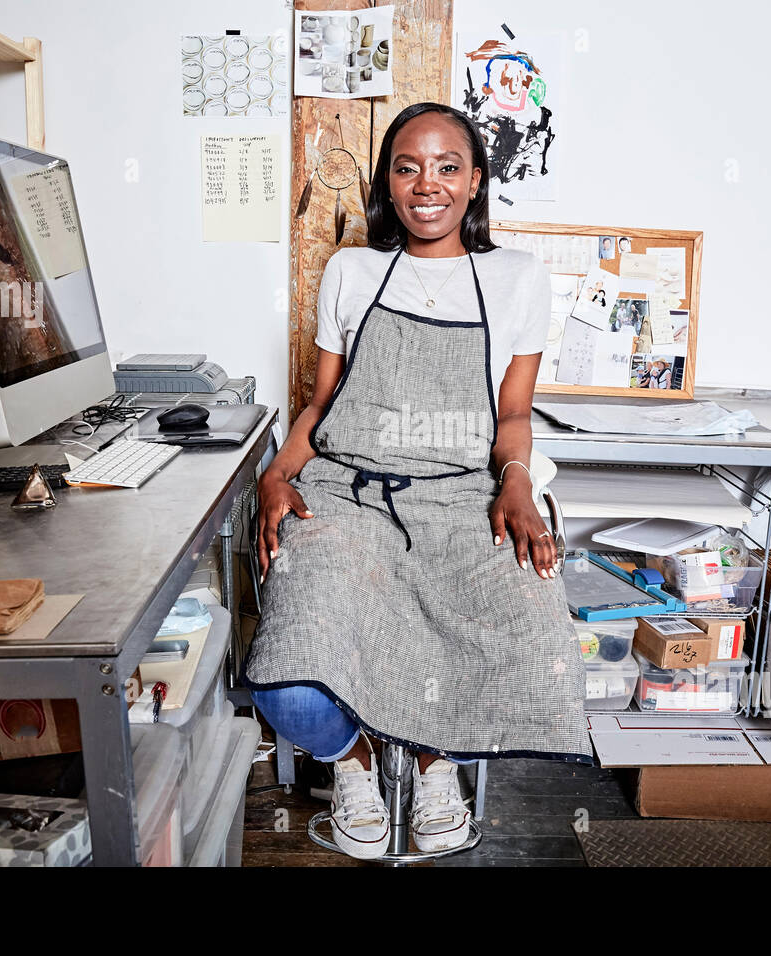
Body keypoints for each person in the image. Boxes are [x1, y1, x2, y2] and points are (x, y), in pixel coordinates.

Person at [243, 102, 591, 860]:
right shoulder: (351, 269)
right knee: (287, 679)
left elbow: (513, 419)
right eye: (407, 167)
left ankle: (439, 764)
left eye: (446, 167)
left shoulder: (518, 278)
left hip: (466, 496)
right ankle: (353, 765)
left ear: (473, 183)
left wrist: (517, 487)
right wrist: (277, 473)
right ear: (388, 184)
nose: (426, 184)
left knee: (527, 621)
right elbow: (322, 405)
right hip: (349, 493)